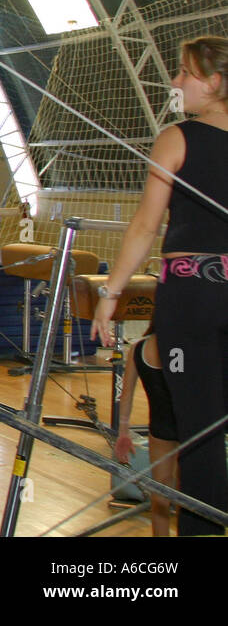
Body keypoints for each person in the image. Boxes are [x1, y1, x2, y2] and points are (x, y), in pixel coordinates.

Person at [91, 36, 228, 536]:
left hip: (192, 299)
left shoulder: (178, 136)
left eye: (185, 73)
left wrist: (111, 296)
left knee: (200, 430)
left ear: (213, 82)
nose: (175, 81)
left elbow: (145, 228)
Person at [113, 325, 178, 535]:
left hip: (159, 428)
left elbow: (126, 394)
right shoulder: (183, 346)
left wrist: (123, 432)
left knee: (160, 495)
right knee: (187, 495)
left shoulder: (138, 349)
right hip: (188, 428)